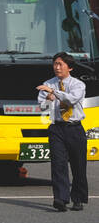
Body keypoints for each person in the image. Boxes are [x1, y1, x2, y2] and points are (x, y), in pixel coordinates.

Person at [36, 52, 88, 212]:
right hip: (56, 127)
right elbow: (42, 106)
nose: (57, 67)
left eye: (60, 64)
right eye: (55, 64)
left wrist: (55, 93)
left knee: (78, 165)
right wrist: (47, 99)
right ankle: (60, 199)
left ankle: (78, 198)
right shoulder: (47, 83)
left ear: (69, 67)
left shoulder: (78, 85)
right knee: (58, 164)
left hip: (74, 128)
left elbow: (72, 99)